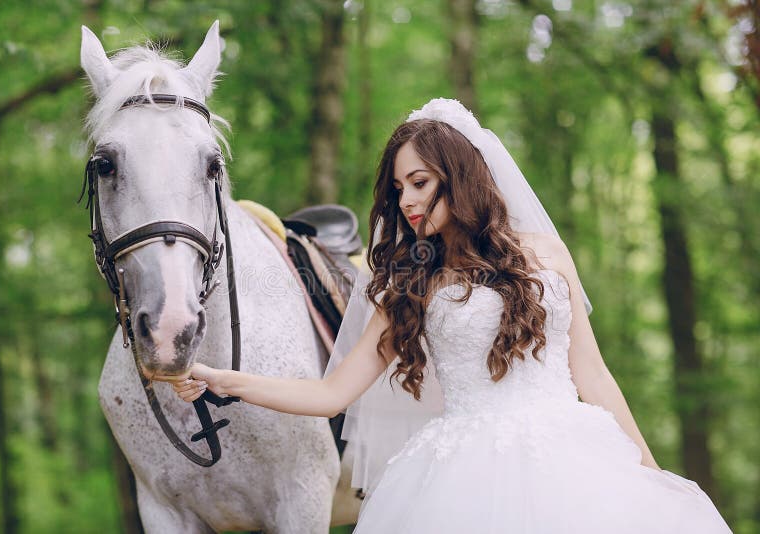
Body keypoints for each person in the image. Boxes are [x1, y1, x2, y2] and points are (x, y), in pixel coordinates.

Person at [163, 98, 731, 533]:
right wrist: (222, 380)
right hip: (462, 480)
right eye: (398, 188)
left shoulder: (547, 255)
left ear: (459, 178)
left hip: (577, 458)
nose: (406, 201)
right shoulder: (407, 283)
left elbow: (594, 374)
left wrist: (650, 472)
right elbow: (331, 395)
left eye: (420, 183)